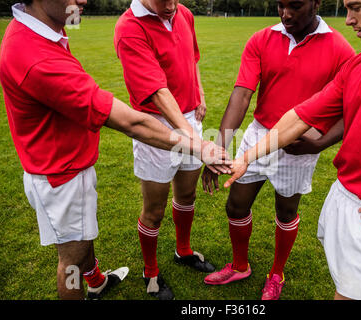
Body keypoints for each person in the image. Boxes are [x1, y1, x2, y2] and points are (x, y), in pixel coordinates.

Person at [0, 0, 229, 300]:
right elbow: (131, 122)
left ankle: (95, 280)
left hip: (71, 166)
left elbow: (191, 60)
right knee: (71, 261)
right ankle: (90, 287)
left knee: (84, 242)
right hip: (59, 177)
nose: (82, 1)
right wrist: (200, 146)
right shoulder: (36, 57)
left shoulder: (42, 31)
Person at [225, 0, 361, 300]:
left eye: (356, 7)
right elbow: (301, 116)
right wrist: (246, 158)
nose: (348, 20)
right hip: (345, 201)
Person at [202, 0, 355, 300]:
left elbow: (352, 108)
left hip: (299, 144)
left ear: (316, 4)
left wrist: (320, 143)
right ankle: (240, 265)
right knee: (236, 204)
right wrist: (219, 150)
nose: (285, 14)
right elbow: (242, 95)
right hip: (258, 134)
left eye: (294, 6)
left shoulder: (340, 49)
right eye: (280, 5)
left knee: (286, 213)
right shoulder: (261, 39)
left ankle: (277, 274)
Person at [114, 0, 221, 300]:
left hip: (189, 118)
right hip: (155, 127)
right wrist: (197, 144)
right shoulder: (129, 27)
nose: (171, 5)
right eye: (164, 0)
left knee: (187, 195)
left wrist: (198, 92)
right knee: (155, 210)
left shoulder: (183, 12)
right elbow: (158, 92)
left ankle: (183, 250)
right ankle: (150, 271)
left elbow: (193, 57)